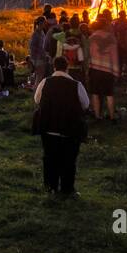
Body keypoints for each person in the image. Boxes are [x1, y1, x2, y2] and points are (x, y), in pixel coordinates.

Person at [33, 56, 89, 197]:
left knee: (50, 158)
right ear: (67, 68)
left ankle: (50, 187)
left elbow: (37, 99)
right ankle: (67, 188)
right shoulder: (76, 85)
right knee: (69, 160)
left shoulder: (45, 82)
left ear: (54, 67)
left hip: (49, 127)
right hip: (69, 128)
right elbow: (85, 104)